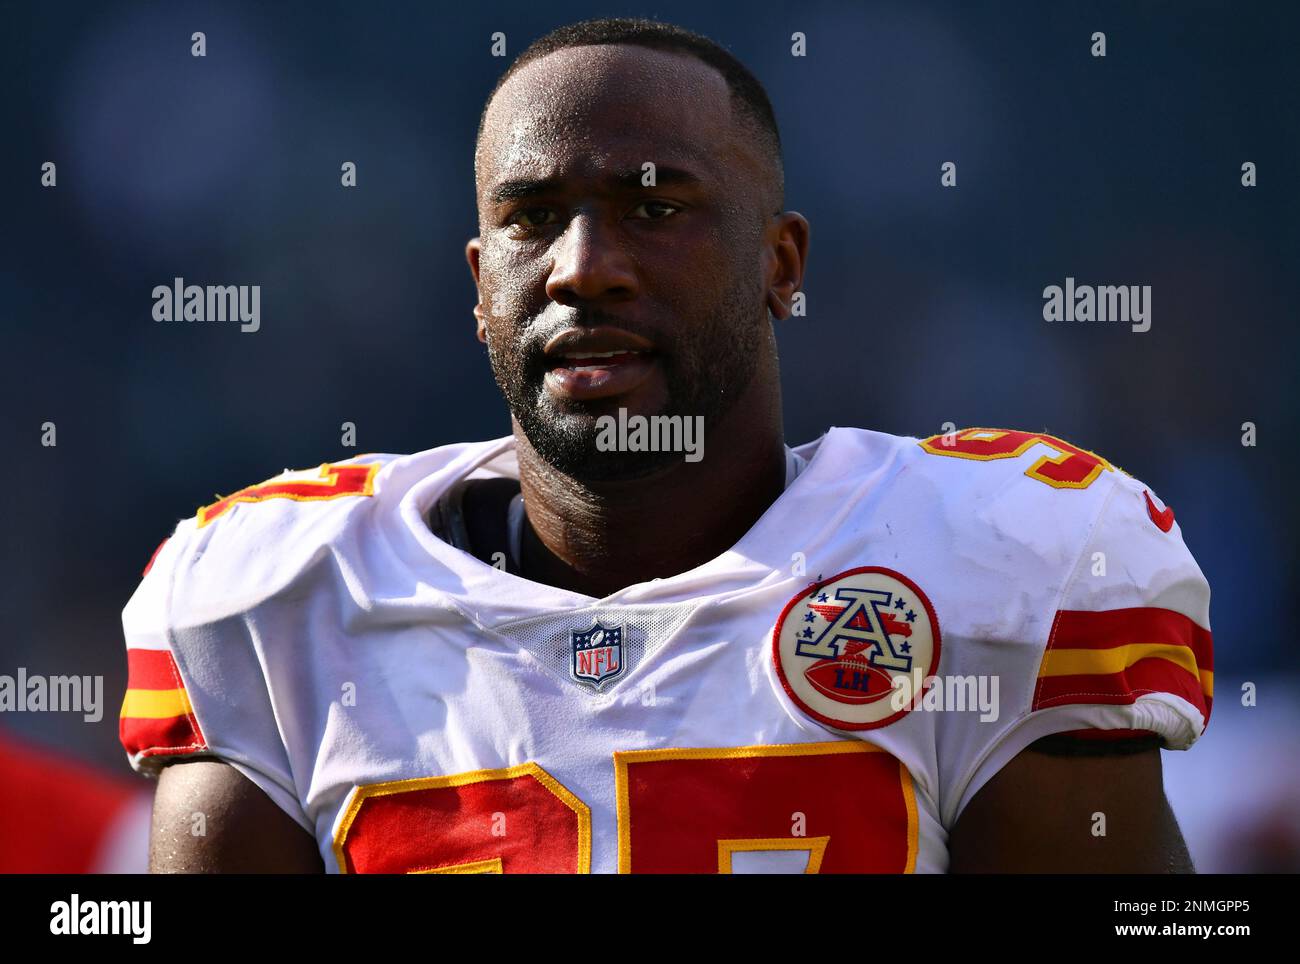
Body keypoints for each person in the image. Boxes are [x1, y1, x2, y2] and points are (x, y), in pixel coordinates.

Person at [120, 17, 1211, 873]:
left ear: (782, 264)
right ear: (479, 288)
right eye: (532, 217)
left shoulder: (994, 568)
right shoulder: (280, 604)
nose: (581, 266)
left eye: (654, 208)